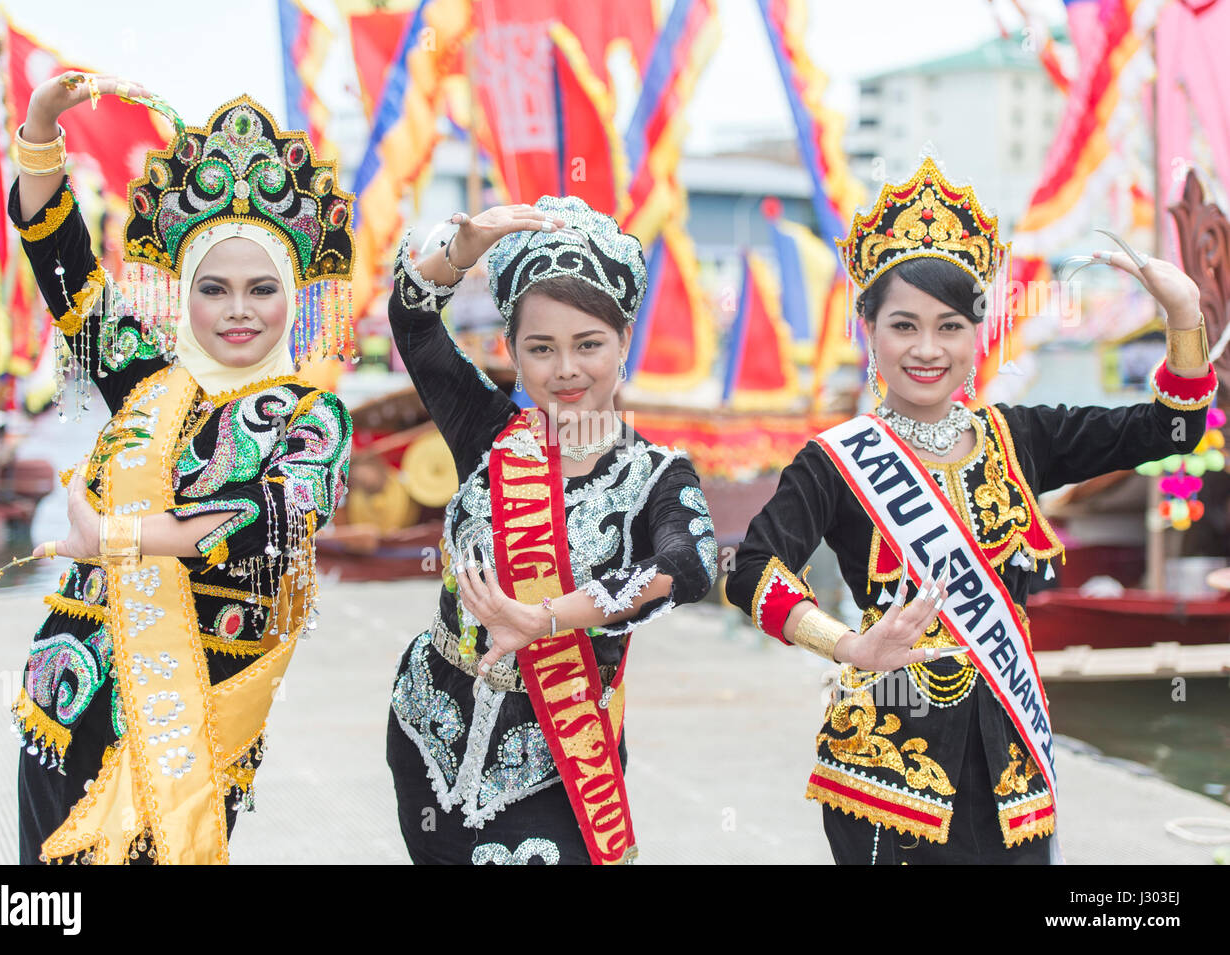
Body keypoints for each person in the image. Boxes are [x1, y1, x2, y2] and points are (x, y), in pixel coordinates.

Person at [724, 155, 1218, 864]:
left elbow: (1170, 428)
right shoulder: (835, 461)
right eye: (904, 325)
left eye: (950, 326)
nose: (928, 350)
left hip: (1013, 775)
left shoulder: (1020, 437)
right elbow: (754, 568)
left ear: (977, 333)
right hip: (889, 776)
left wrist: (1181, 314)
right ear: (869, 328)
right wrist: (850, 645)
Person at [8, 75, 354, 864]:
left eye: (262, 288)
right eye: (215, 288)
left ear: (294, 295)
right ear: (183, 296)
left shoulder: (312, 416)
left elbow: (280, 516)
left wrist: (118, 534)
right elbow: (65, 271)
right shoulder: (147, 379)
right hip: (68, 693)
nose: (239, 309)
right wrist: (38, 129)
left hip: (194, 706)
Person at [384, 196, 718, 865]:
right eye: (541, 348)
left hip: (559, 755)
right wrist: (462, 251)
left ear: (624, 341)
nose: (566, 370)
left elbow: (689, 564)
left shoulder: (655, 476)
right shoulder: (486, 432)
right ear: (513, 349)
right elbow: (413, 323)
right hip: (432, 729)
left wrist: (545, 617)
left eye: (588, 344)